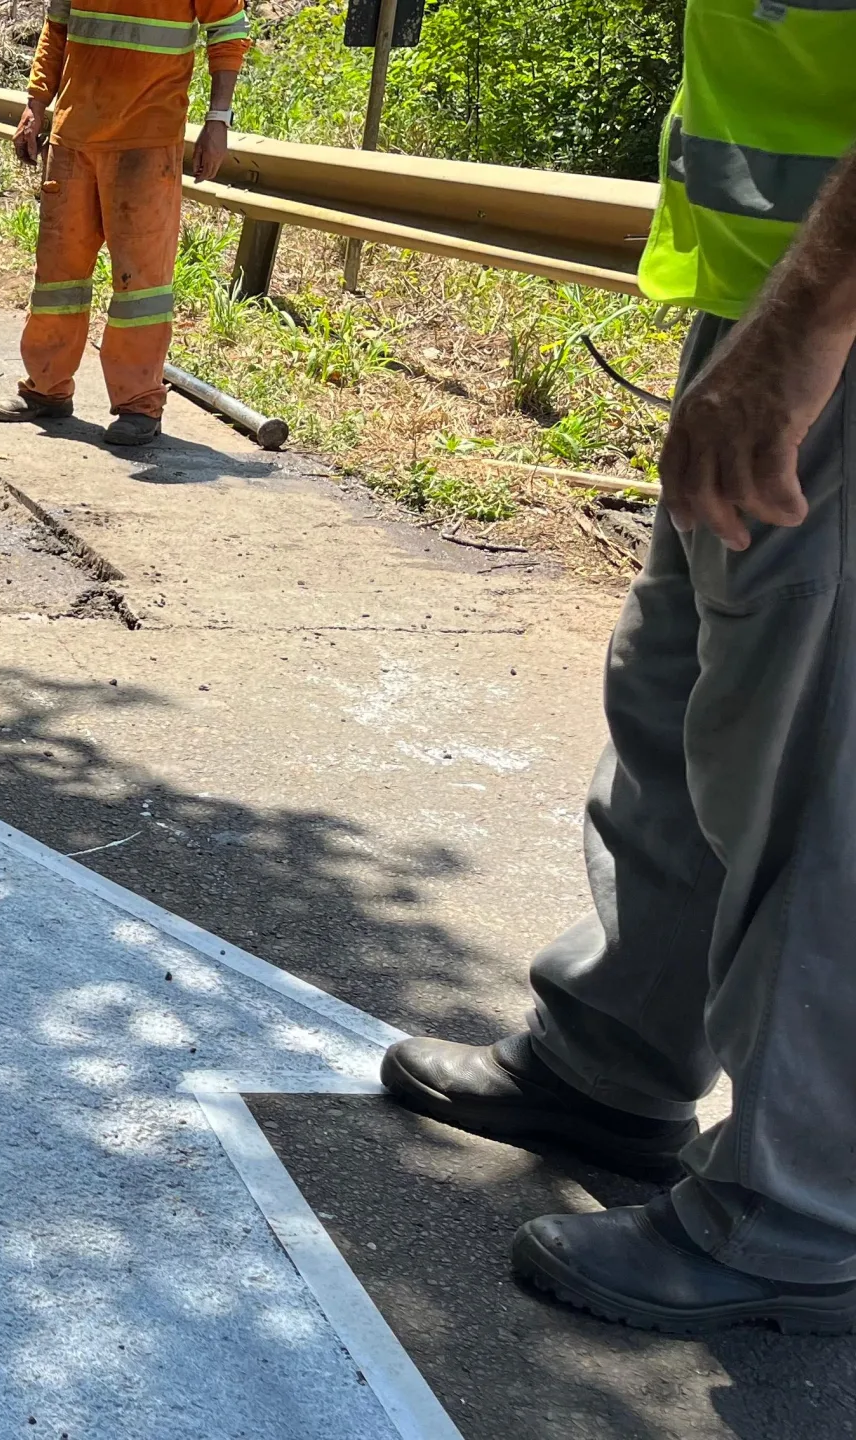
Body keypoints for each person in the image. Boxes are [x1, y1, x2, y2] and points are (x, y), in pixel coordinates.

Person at [380, 1, 856, 1332]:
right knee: (682, 697)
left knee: (817, 776)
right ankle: (616, 1060)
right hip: (776, 293)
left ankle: (797, 1216)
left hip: (830, 323)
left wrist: (808, 327)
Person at [0, 0, 248, 446]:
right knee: (57, 279)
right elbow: (57, 27)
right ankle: (46, 388)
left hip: (146, 140)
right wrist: (35, 103)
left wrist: (217, 120)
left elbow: (227, 34)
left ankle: (139, 404)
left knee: (141, 286)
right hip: (74, 139)